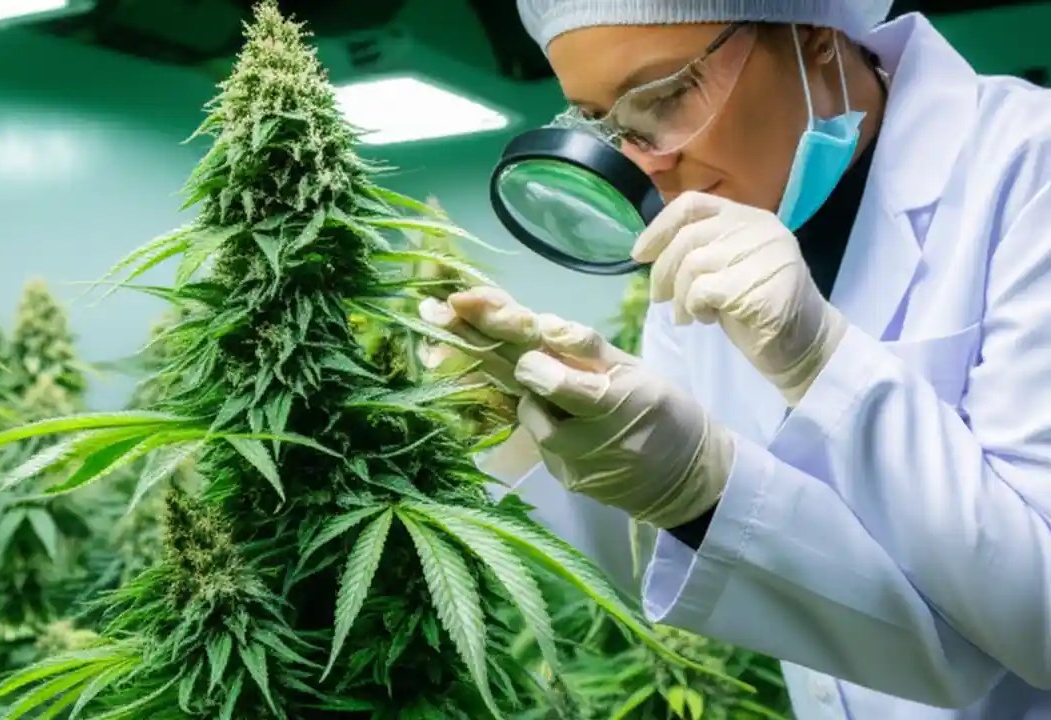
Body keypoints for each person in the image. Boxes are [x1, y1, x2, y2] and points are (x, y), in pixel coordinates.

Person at [418, 2, 1051, 718]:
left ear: (814, 36)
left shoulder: (1030, 165)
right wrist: (560, 426)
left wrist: (823, 362)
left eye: (665, 97)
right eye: (606, 125)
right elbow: (721, 578)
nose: (646, 161)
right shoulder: (701, 233)